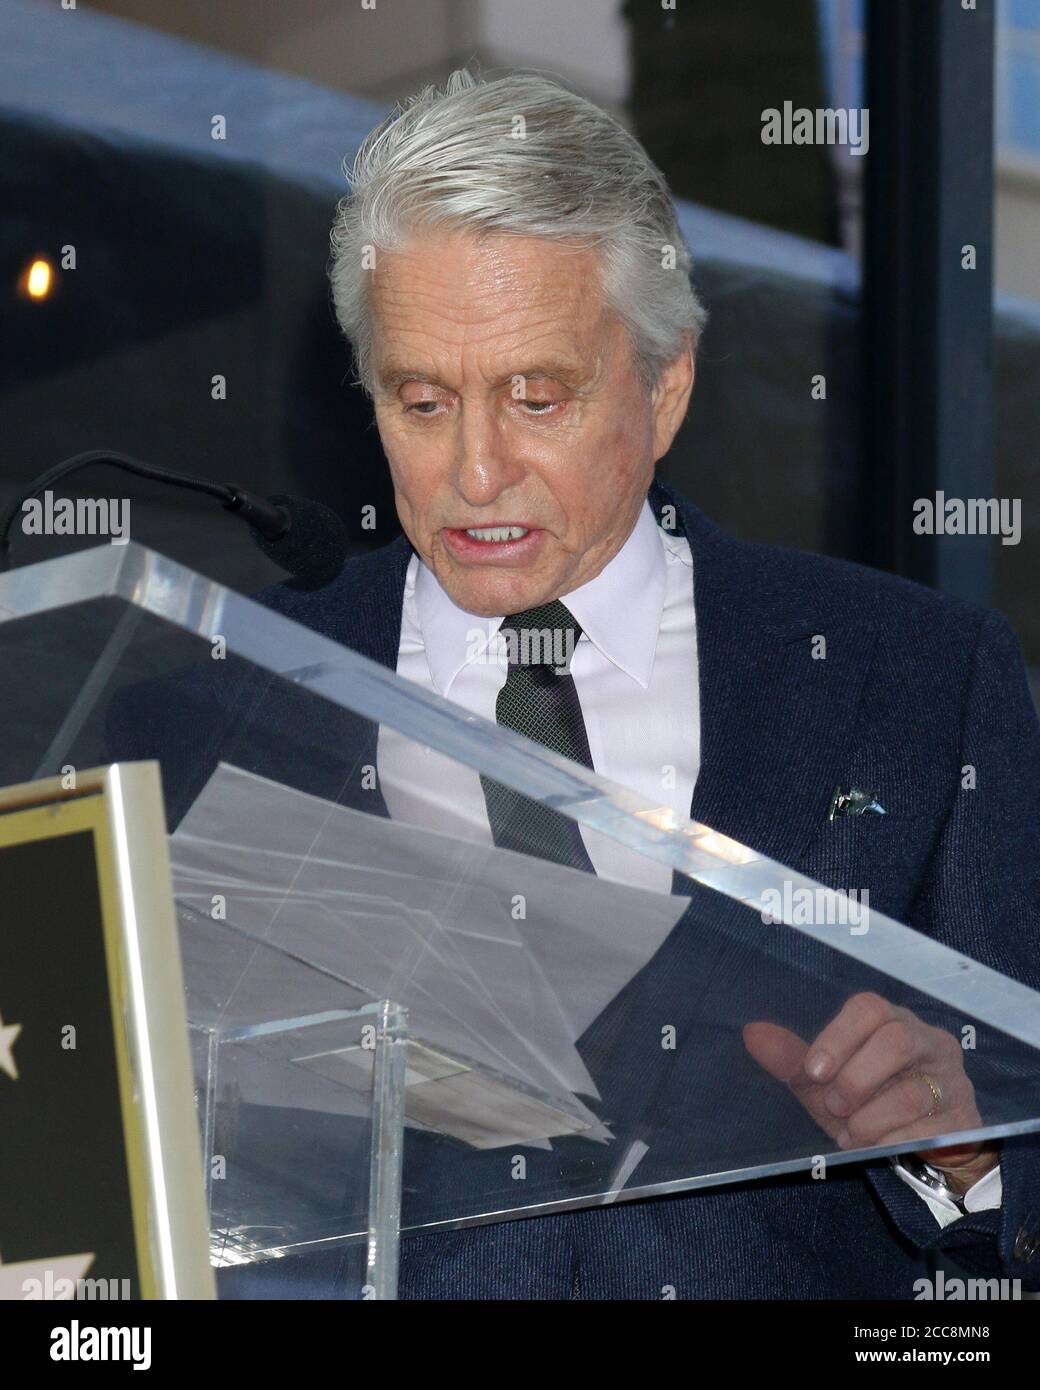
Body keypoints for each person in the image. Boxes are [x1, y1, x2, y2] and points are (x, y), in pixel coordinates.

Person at [227, 68, 1040, 1298]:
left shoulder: (916, 680)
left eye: (534, 396)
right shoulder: (221, 696)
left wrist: (968, 1154)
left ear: (663, 386)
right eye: (422, 401)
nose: (477, 469)